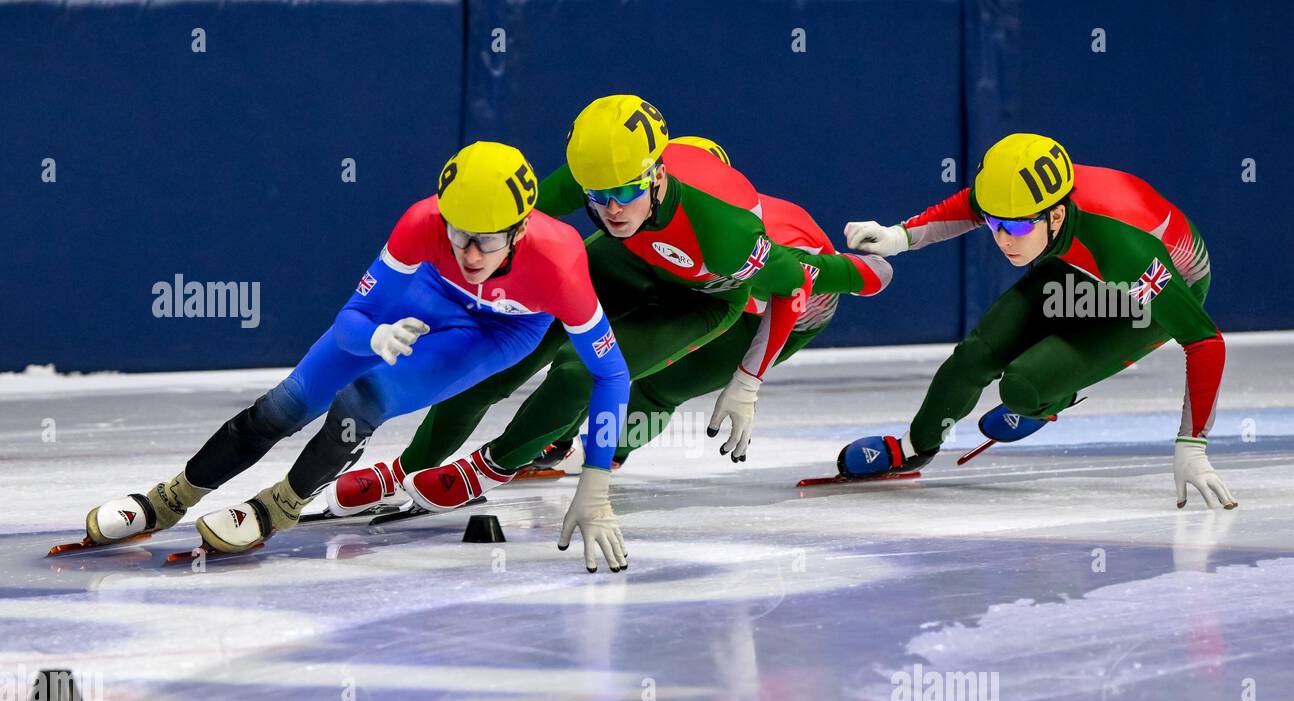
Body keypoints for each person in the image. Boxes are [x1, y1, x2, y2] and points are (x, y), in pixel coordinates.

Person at [326, 98, 891, 523]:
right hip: (640, 263)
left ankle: (495, 464)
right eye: (597, 197)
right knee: (508, 345)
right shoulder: (599, 174)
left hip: (730, 299)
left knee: (602, 377)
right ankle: (408, 466)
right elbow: (511, 217)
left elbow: (803, 284)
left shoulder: (727, 232)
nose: (610, 208)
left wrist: (749, 379)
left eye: (624, 194)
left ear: (659, 176)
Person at [78, 141, 633, 569]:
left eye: (486, 241)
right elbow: (350, 320)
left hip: (499, 328)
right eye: (458, 233)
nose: (468, 253)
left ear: (518, 232)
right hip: (431, 297)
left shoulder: (559, 264)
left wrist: (597, 482)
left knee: (365, 398)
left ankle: (281, 505)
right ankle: (171, 497)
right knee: (284, 403)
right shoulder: (422, 224)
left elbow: (611, 372)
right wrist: (371, 338)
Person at [838, 132, 1236, 510]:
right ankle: (912, 449)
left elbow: (1204, 340)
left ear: (1057, 215)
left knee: (1023, 387)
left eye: (1016, 226)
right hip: (1079, 263)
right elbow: (970, 206)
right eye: (995, 224)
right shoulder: (1023, 195)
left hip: (1151, 292)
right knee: (976, 355)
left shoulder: (1125, 251)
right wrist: (899, 237)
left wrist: (1192, 443)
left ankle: (1047, 402)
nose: (1004, 239)